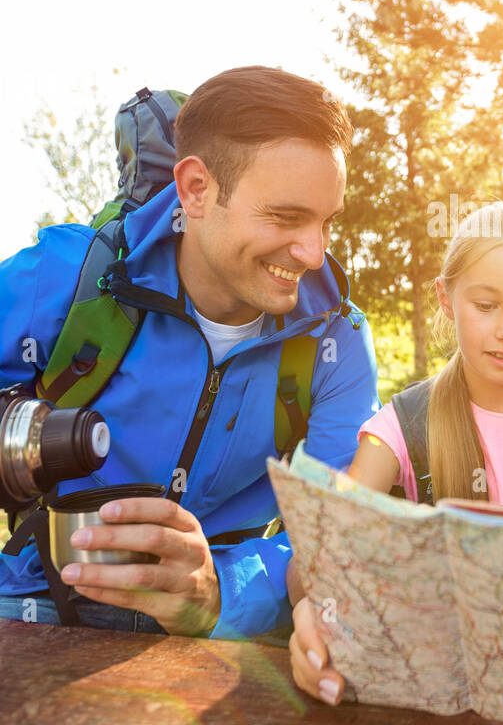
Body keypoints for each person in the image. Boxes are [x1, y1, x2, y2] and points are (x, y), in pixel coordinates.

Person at [0, 66, 379, 640]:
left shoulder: (338, 342)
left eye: (327, 221)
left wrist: (221, 591)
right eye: (285, 217)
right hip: (34, 606)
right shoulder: (65, 277)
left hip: (227, 639)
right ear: (196, 189)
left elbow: (337, 541)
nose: (312, 252)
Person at [287, 200, 503, 703]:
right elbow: (319, 563)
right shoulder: (400, 426)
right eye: (486, 305)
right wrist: (314, 612)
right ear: (445, 297)